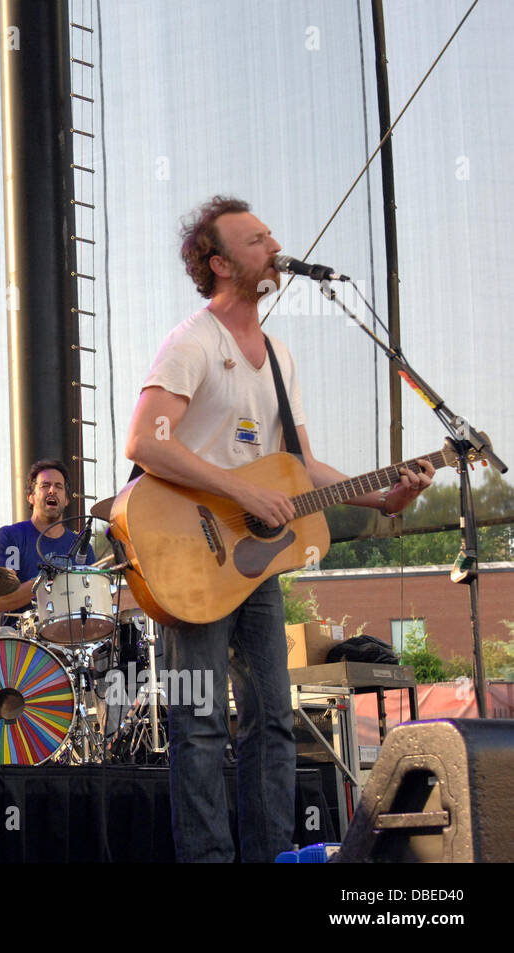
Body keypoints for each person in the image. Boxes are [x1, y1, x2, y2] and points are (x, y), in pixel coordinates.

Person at [124, 195, 433, 862]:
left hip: (254, 566)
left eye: (270, 233)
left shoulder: (280, 358)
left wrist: (384, 496)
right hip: (188, 556)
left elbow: (300, 465)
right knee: (200, 723)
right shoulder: (191, 341)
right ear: (219, 262)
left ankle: (269, 857)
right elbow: (144, 443)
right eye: (256, 238)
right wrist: (241, 490)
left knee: (271, 724)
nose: (274, 245)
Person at [0, 459, 96, 629]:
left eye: (58, 486)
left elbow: (94, 603)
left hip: (71, 643)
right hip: (22, 644)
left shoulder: (83, 548)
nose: (52, 490)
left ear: (66, 499)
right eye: (45, 485)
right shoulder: (10, 536)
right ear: (30, 497)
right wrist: (46, 580)